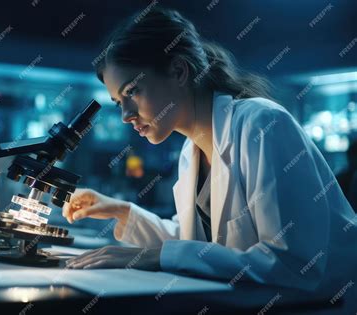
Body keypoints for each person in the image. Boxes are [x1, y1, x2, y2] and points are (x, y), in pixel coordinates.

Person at [62, 7, 357, 295]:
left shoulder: (262, 124)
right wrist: (122, 211)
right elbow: (199, 245)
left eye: (132, 92)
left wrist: (155, 257)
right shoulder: (192, 151)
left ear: (178, 71)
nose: (126, 115)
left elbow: (292, 263)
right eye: (117, 101)